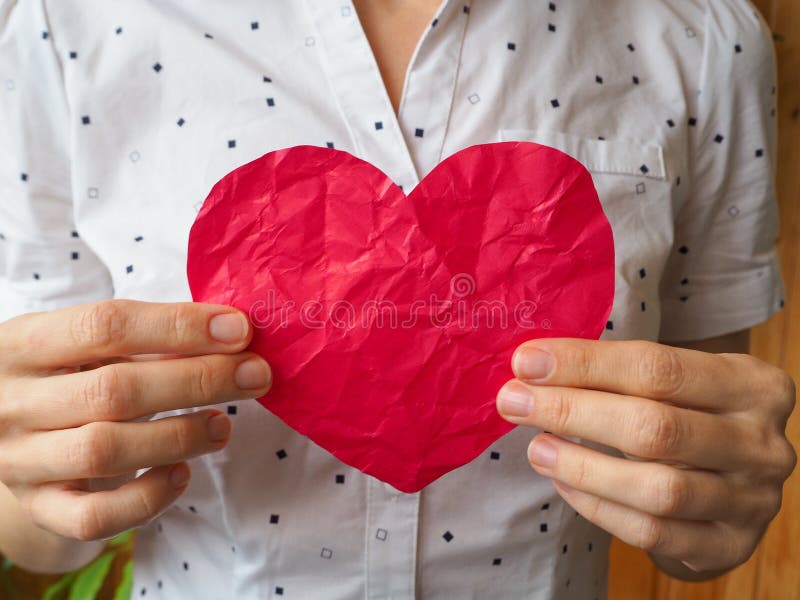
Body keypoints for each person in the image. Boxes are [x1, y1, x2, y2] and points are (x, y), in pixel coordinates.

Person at [0, 1, 795, 598]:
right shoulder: (62, 25)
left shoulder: (700, 36)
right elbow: (36, 522)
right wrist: (36, 496)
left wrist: (708, 516)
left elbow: (694, 473)